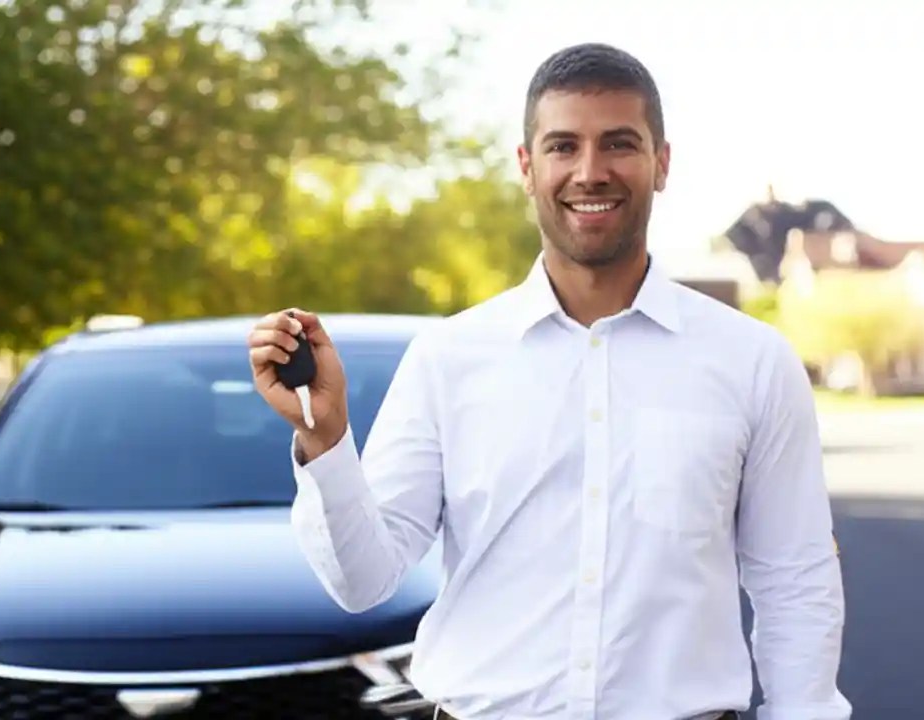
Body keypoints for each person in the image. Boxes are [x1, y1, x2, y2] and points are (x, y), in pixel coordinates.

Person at [247, 42, 851, 720]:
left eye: (619, 144)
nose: (590, 172)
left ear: (662, 164)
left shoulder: (753, 360)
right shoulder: (448, 358)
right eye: (563, 147)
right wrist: (325, 440)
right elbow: (364, 580)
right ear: (528, 168)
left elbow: (794, 581)